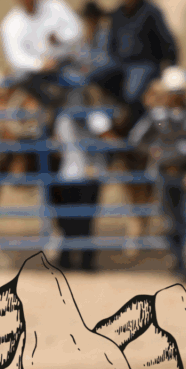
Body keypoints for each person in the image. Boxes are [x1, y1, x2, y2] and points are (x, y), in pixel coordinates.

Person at [127, 67, 186, 282]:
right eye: (172, 92)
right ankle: (180, 267)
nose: (175, 97)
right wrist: (155, 151)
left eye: (178, 92)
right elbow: (137, 140)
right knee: (171, 223)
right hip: (165, 175)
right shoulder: (157, 116)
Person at [95, 0, 179, 119]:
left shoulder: (151, 12)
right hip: (121, 62)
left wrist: (170, 68)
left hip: (145, 63)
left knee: (132, 93)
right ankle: (122, 108)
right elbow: (112, 42)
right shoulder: (118, 14)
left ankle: (134, 122)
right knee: (97, 76)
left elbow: (167, 42)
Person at [0, 0, 84, 115]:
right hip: (35, 73)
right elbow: (15, 57)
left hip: (65, 62)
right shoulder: (11, 24)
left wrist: (61, 38)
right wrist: (40, 64)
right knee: (23, 79)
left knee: (79, 82)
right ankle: (55, 109)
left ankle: (71, 112)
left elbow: (77, 30)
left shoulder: (56, 6)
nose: (28, 0)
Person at [51, 104, 113, 270]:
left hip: (78, 175)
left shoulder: (67, 117)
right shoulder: (92, 116)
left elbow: (56, 146)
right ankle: (80, 260)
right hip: (79, 175)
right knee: (79, 219)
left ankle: (75, 260)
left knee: (76, 219)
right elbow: (109, 140)